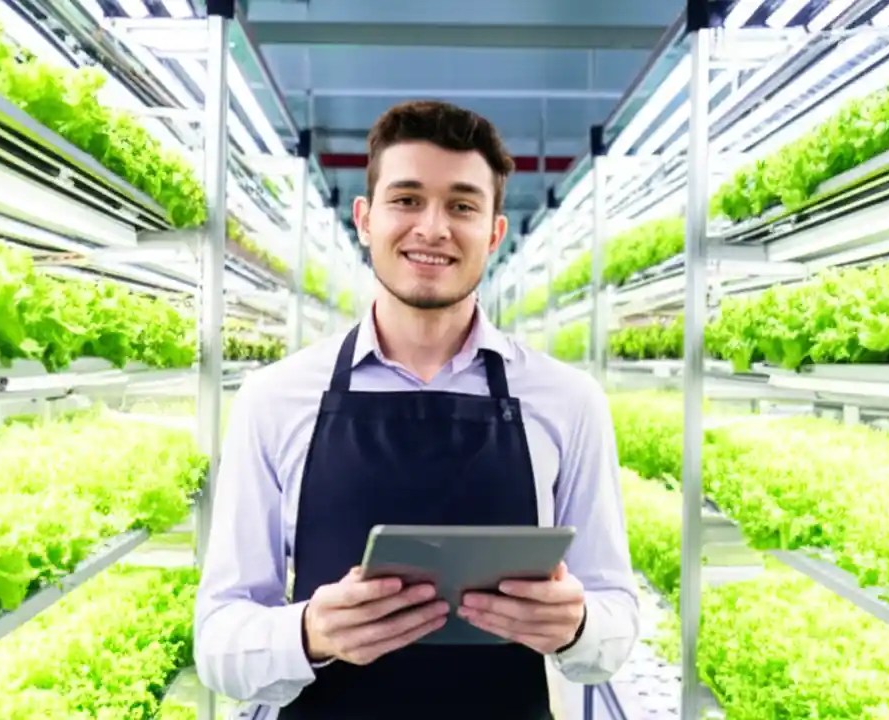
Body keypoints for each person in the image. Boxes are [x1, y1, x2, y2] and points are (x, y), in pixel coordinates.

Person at [194, 99, 639, 720]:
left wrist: (578, 624)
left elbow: (614, 621)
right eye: (406, 200)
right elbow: (217, 641)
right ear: (365, 218)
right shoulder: (275, 399)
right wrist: (309, 634)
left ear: (494, 232)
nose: (432, 228)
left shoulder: (568, 401)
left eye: (462, 205)